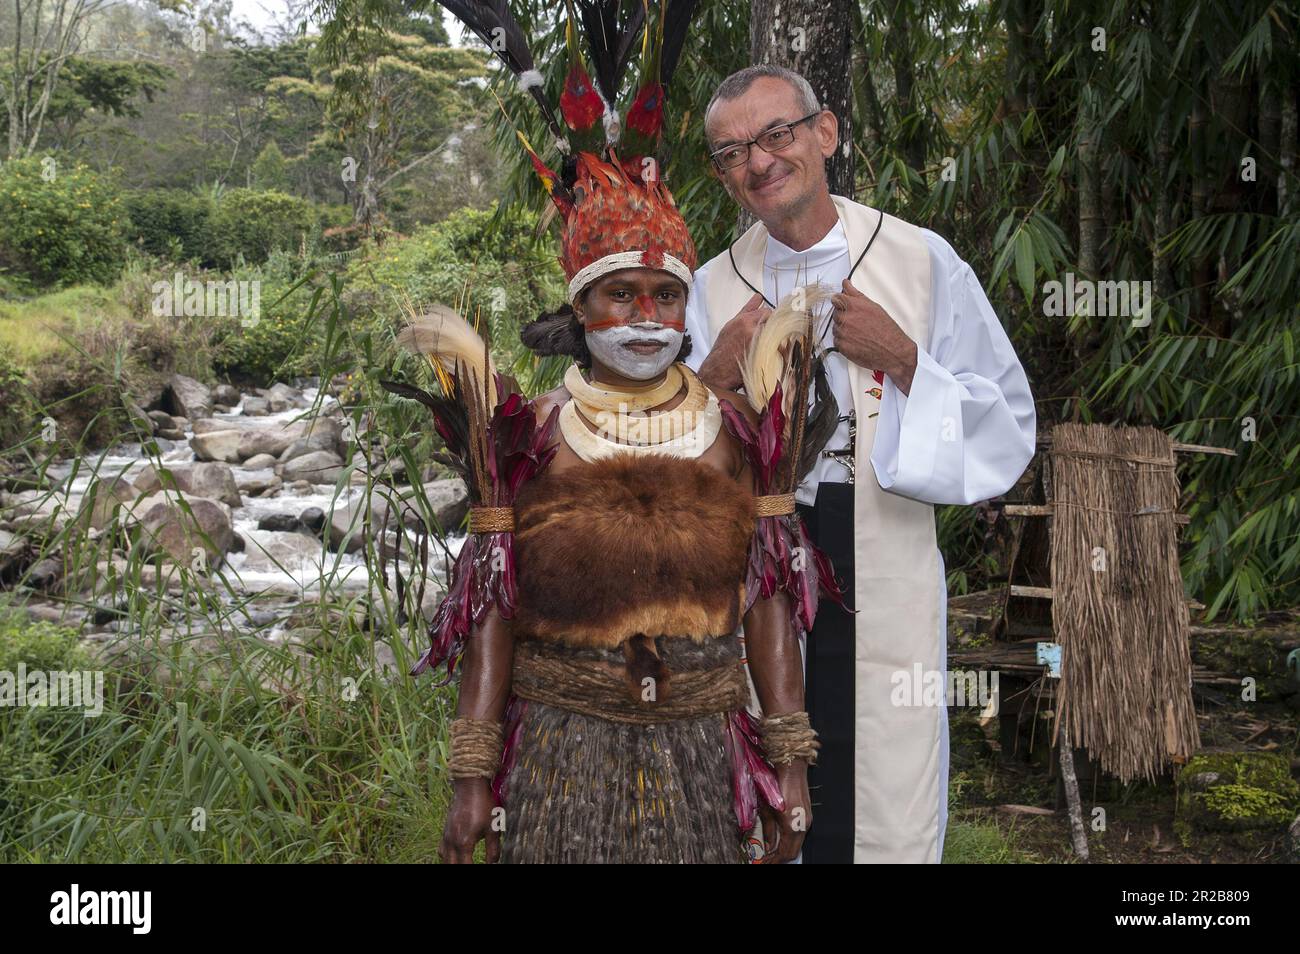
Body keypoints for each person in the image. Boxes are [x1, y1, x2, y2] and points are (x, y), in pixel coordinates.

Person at [409, 2, 838, 864]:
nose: (647, 318)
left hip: (702, 759)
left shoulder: (738, 434)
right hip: (561, 759)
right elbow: (490, 615)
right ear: (579, 308)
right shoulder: (527, 440)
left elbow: (769, 605)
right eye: (621, 296)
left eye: (666, 295)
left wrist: (787, 766)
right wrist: (471, 779)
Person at [683, 65, 1037, 864]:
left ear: (826, 133)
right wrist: (714, 378)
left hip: (883, 549)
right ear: (722, 174)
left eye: (777, 134)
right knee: (769, 778)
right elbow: (664, 472)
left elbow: (1008, 423)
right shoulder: (708, 291)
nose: (761, 161)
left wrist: (905, 358)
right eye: (734, 150)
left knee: (886, 788)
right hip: (758, 568)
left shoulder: (919, 261)